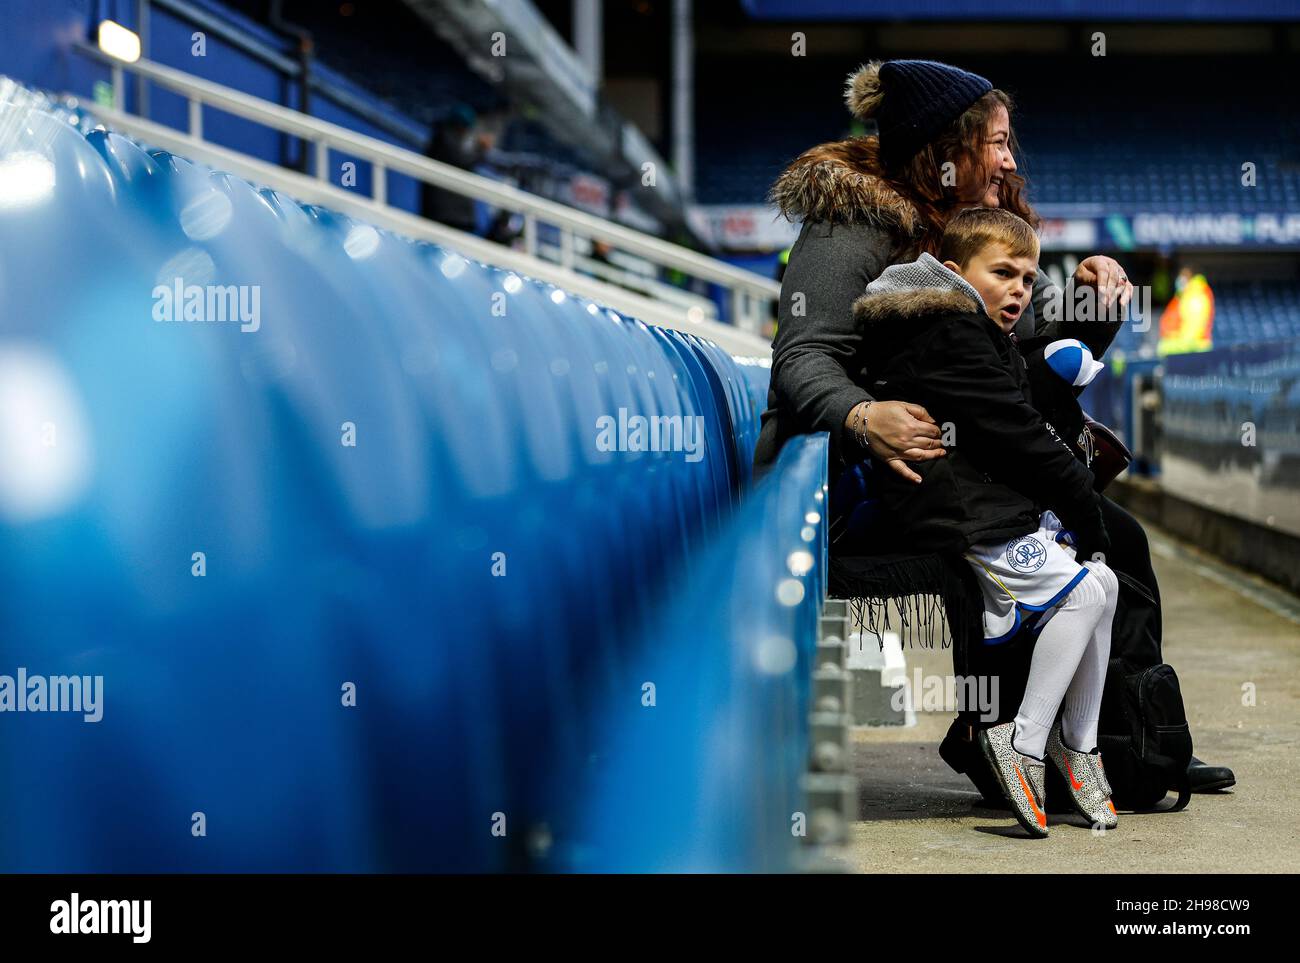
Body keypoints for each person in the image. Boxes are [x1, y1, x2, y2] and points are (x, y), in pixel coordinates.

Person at [756, 58, 1234, 792]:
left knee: (1116, 537)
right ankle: (1039, 741)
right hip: (866, 481)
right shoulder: (851, 221)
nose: (1010, 158)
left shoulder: (975, 221)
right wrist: (861, 414)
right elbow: (802, 355)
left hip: (960, 465)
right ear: (947, 145)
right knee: (1061, 531)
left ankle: (1133, 738)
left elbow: (1040, 336)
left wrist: (1095, 297)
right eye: (998, 141)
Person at [854, 208, 1118, 835]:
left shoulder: (965, 326)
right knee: (1084, 591)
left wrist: (1065, 346)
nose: (1018, 290)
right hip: (950, 511)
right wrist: (1088, 516)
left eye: (1027, 279)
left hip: (977, 505)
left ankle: (1077, 746)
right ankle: (1023, 741)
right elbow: (1017, 432)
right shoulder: (949, 328)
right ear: (953, 272)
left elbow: (1007, 401)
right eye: (1002, 273)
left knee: (1103, 589)